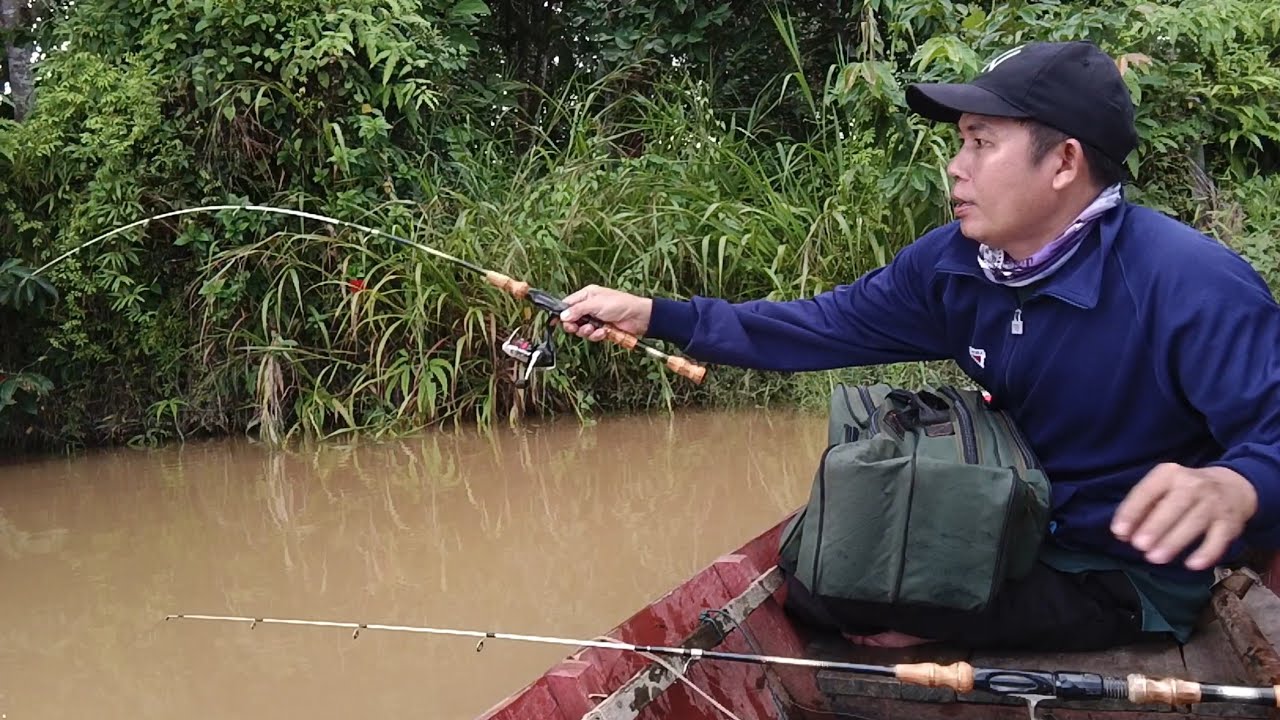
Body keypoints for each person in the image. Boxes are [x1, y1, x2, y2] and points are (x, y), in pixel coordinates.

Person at [555, 40, 1280, 651]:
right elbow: (812, 326)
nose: (955, 166)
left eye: (981, 143)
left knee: (860, 597)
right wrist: (656, 314)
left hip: (1119, 569)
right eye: (959, 141)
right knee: (815, 579)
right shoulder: (956, 266)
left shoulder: (1191, 284)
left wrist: (1235, 485)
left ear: (1062, 163)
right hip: (1011, 528)